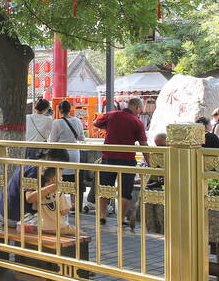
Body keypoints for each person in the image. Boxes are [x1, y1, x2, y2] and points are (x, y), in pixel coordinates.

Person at [94, 97, 148, 227]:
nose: (140, 112)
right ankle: (121, 219)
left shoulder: (111, 115)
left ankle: (102, 216)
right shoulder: (136, 122)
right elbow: (143, 144)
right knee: (125, 191)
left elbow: (96, 122)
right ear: (137, 108)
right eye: (140, 109)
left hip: (108, 158)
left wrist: (108, 128)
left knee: (105, 189)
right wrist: (150, 162)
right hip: (127, 160)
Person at [50, 99, 90, 209]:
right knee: (73, 180)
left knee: (60, 179)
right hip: (74, 153)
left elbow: (52, 140)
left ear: (59, 110)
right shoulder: (77, 121)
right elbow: (81, 137)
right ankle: (74, 206)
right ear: (70, 109)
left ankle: (60, 205)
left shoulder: (56, 122)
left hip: (61, 154)